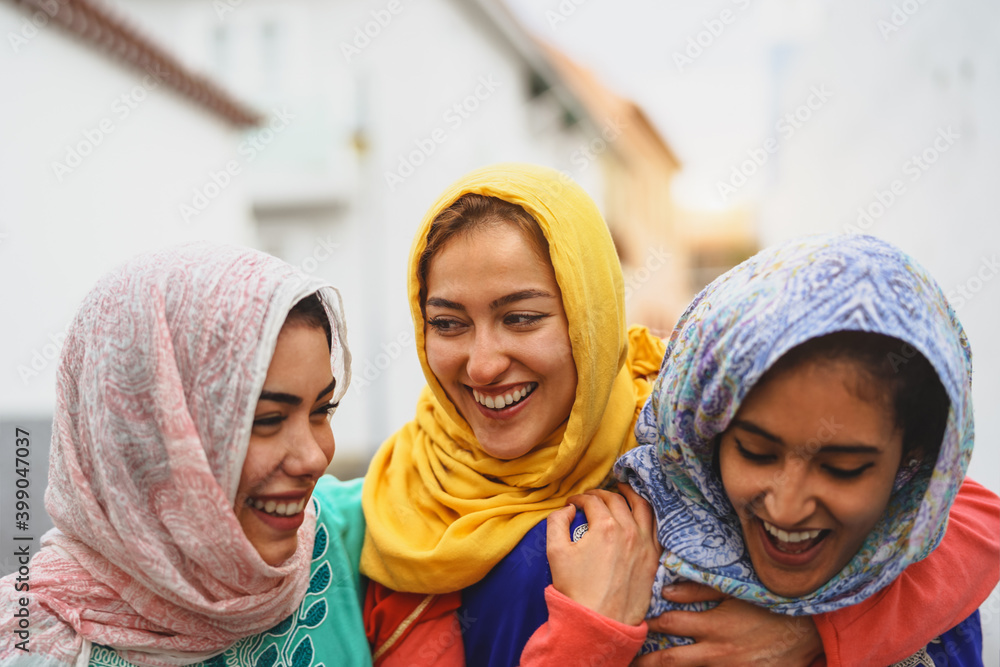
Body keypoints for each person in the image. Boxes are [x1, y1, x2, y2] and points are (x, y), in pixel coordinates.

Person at [360, 164, 996, 666]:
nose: (482, 364)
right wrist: (592, 632)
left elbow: (962, 516)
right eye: (446, 323)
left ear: (593, 313)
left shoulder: (686, 414)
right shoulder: (404, 510)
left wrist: (815, 632)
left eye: (521, 317)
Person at [616, 234, 1000, 666]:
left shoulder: (936, 604)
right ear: (706, 435)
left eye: (843, 468)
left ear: (912, 462)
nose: (786, 508)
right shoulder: (606, 556)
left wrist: (821, 631)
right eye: (756, 452)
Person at [0, 244, 371, 666]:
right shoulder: (31, 641)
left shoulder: (349, 537)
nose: (313, 459)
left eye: (322, 411)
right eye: (267, 420)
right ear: (145, 434)